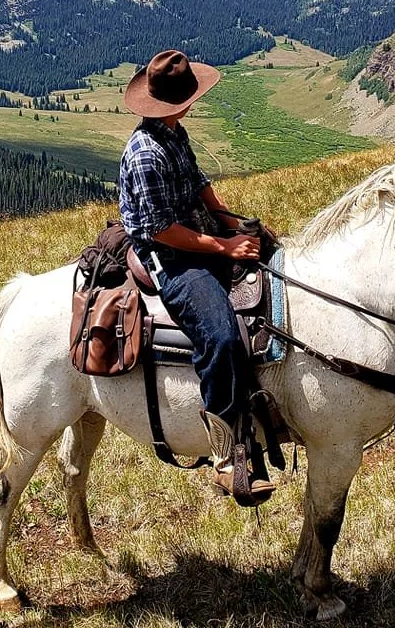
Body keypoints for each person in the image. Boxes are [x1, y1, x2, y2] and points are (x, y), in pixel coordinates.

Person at [118, 49, 275, 504]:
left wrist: (230, 220)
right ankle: (225, 458)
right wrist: (225, 247)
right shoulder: (145, 154)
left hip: (197, 232)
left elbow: (199, 183)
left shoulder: (173, 132)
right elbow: (162, 230)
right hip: (169, 257)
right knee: (221, 335)